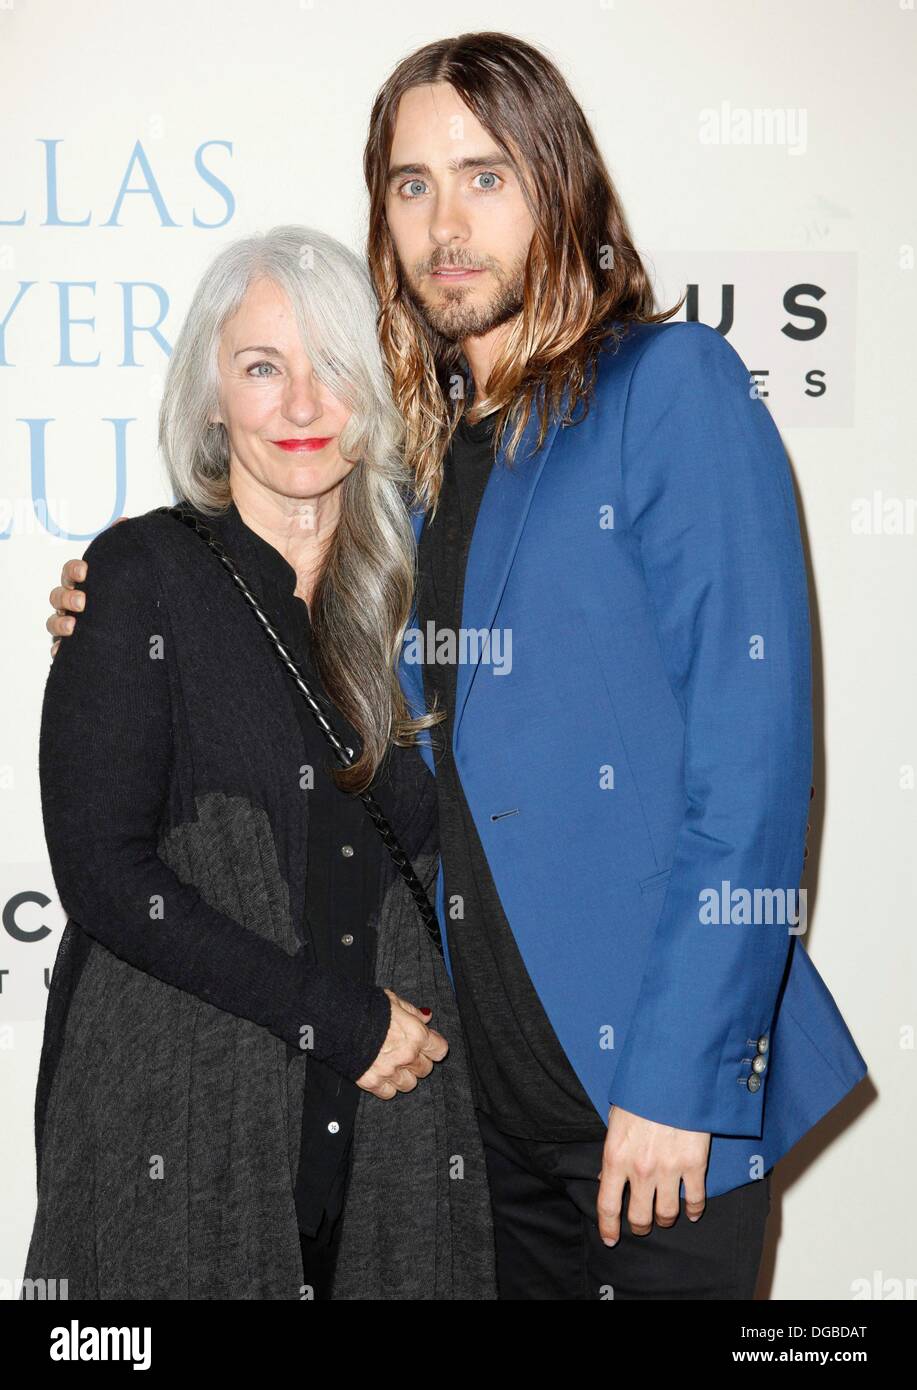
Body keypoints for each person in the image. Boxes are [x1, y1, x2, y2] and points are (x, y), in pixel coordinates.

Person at [49, 32, 870, 1301]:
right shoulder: (416, 489)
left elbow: (750, 771)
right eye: (410, 183)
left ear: (557, 185)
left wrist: (675, 1081)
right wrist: (121, 616)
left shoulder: (670, 389)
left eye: (483, 175)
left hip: (647, 1124)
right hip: (471, 1141)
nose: (445, 221)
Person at [27, 224, 495, 1300]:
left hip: (390, 1148)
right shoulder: (137, 576)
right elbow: (104, 874)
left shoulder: (419, 600)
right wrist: (342, 1020)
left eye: (331, 366)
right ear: (210, 399)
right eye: (260, 367)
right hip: (178, 1127)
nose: (299, 405)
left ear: (373, 394)